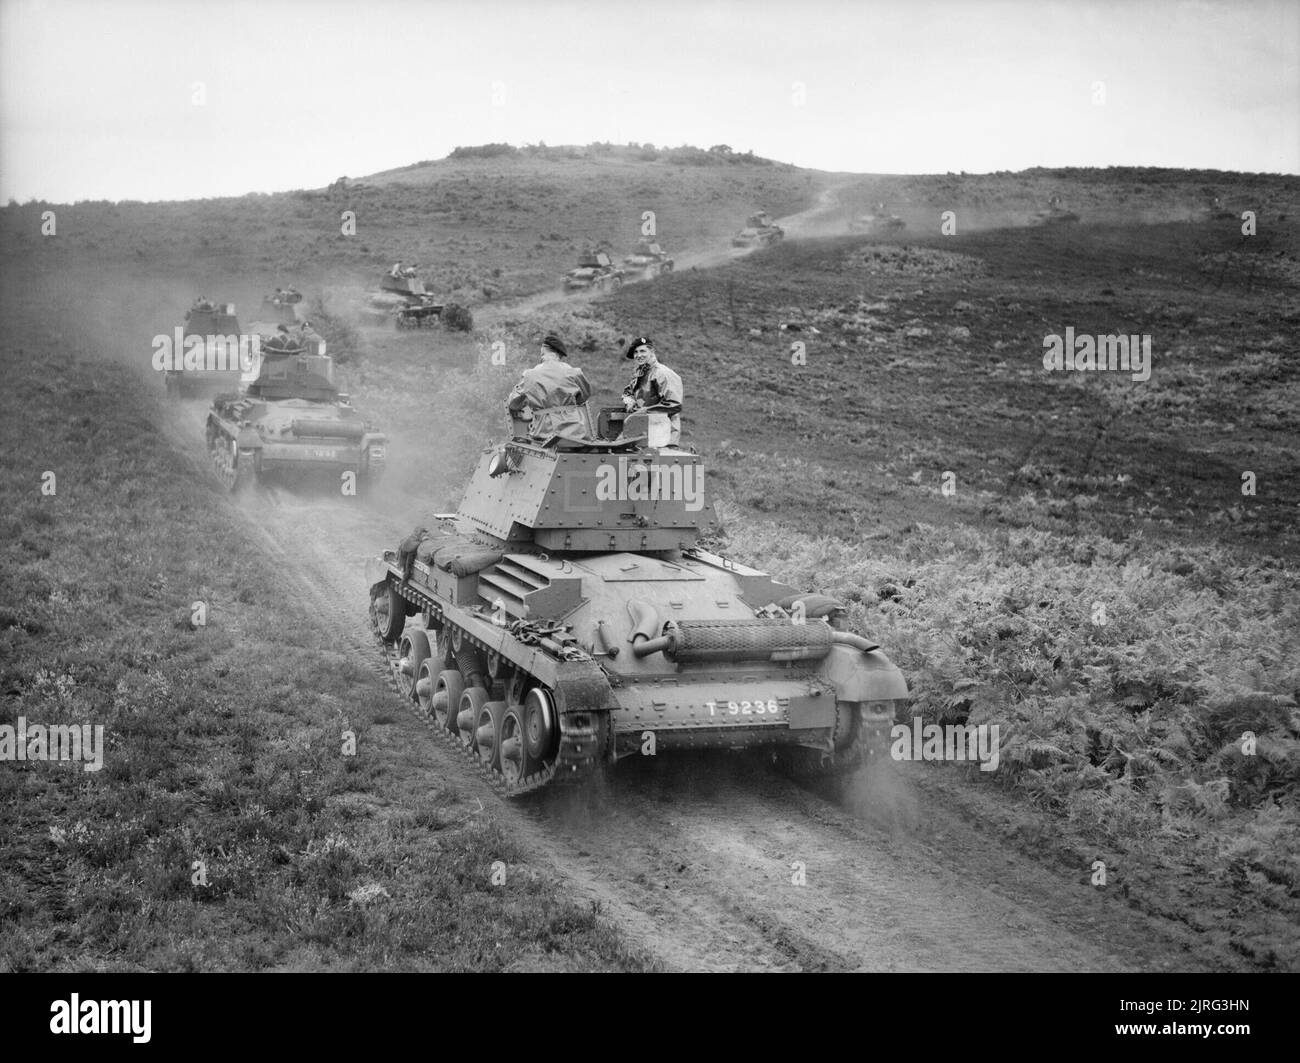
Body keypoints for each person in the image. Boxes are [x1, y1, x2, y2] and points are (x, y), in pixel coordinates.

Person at [507, 334, 592, 443]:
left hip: (545, 434)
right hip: (576, 433)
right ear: (559, 355)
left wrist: (531, 400)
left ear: (543, 351)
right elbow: (584, 396)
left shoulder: (530, 375)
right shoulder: (574, 372)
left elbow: (513, 404)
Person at [622, 336, 683, 445]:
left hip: (663, 436)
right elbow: (629, 391)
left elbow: (674, 404)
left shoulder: (662, 373)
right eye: (636, 352)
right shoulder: (641, 373)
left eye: (642, 351)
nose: (639, 355)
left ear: (652, 352)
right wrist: (628, 400)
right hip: (644, 433)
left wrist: (643, 412)